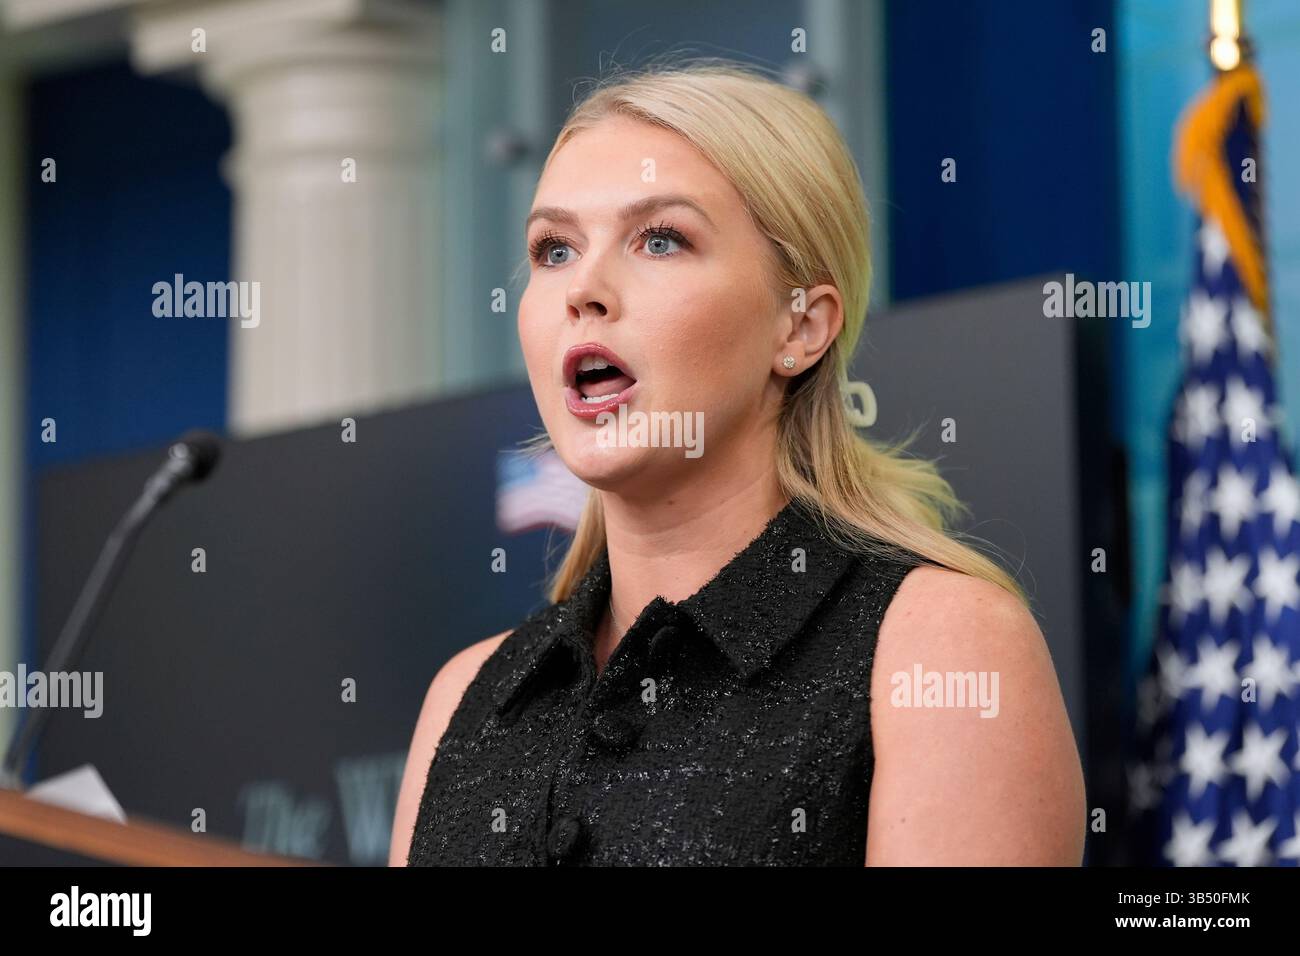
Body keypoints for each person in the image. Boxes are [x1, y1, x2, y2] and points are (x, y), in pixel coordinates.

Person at [390, 59, 1085, 866]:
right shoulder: (468, 695)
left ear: (801, 328)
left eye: (660, 239)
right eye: (553, 249)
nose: (585, 287)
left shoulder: (940, 648)